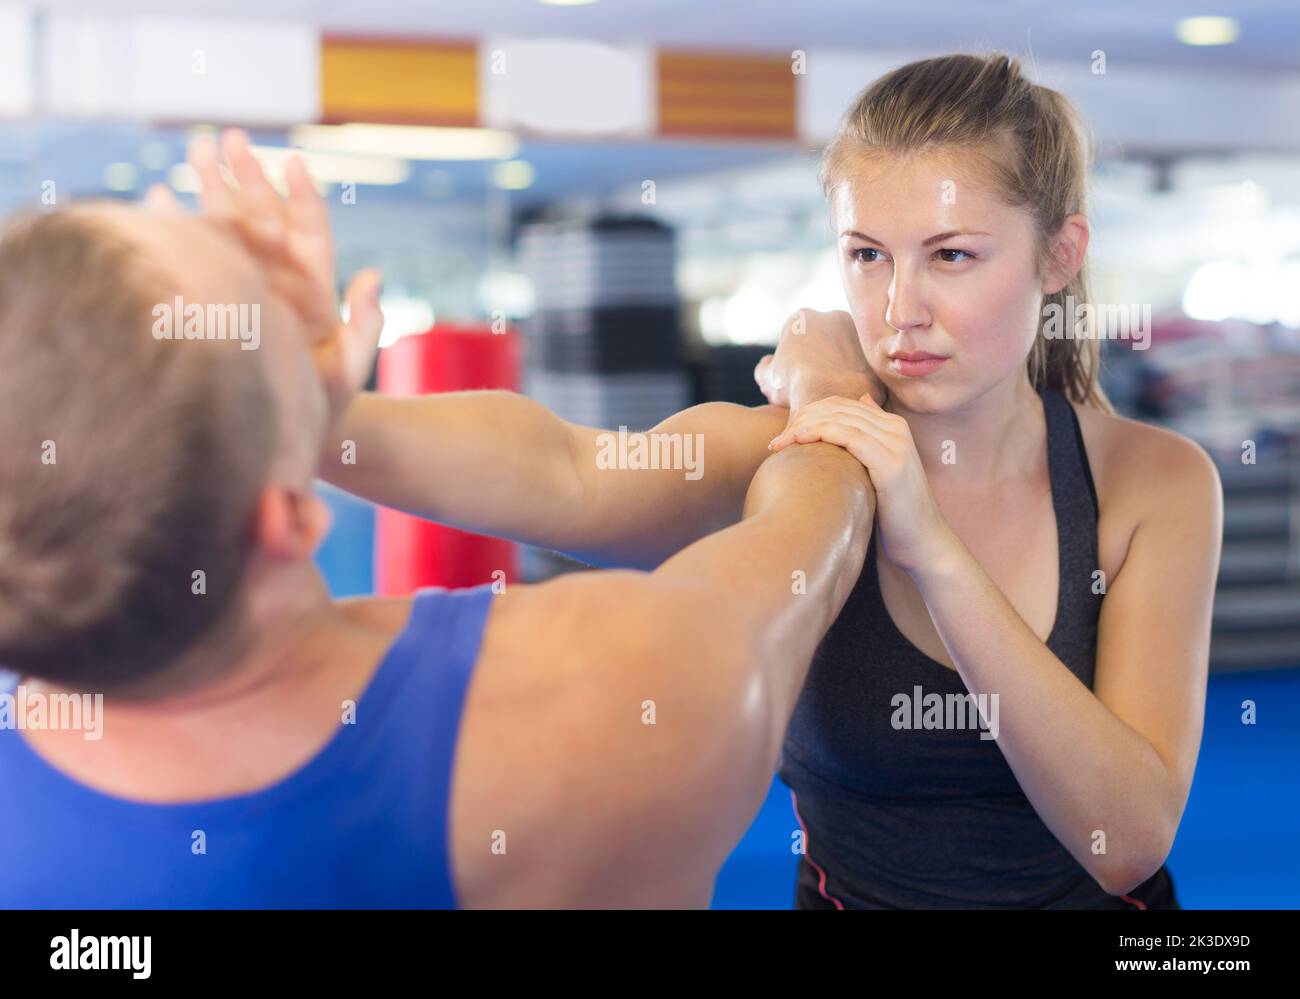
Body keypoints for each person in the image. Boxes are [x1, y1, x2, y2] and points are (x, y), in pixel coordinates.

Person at [328, 53, 1224, 909]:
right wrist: (315, 418)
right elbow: (567, 470)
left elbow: (1127, 839)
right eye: (867, 255)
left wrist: (934, 552)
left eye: (951, 256)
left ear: (1059, 256)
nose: (899, 309)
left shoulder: (1152, 483)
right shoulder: (793, 452)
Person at [0, 130, 875, 908]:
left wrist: (283, 405)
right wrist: (836, 401)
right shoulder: (598, 697)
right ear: (291, 520)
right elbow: (799, 545)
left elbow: (569, 471)